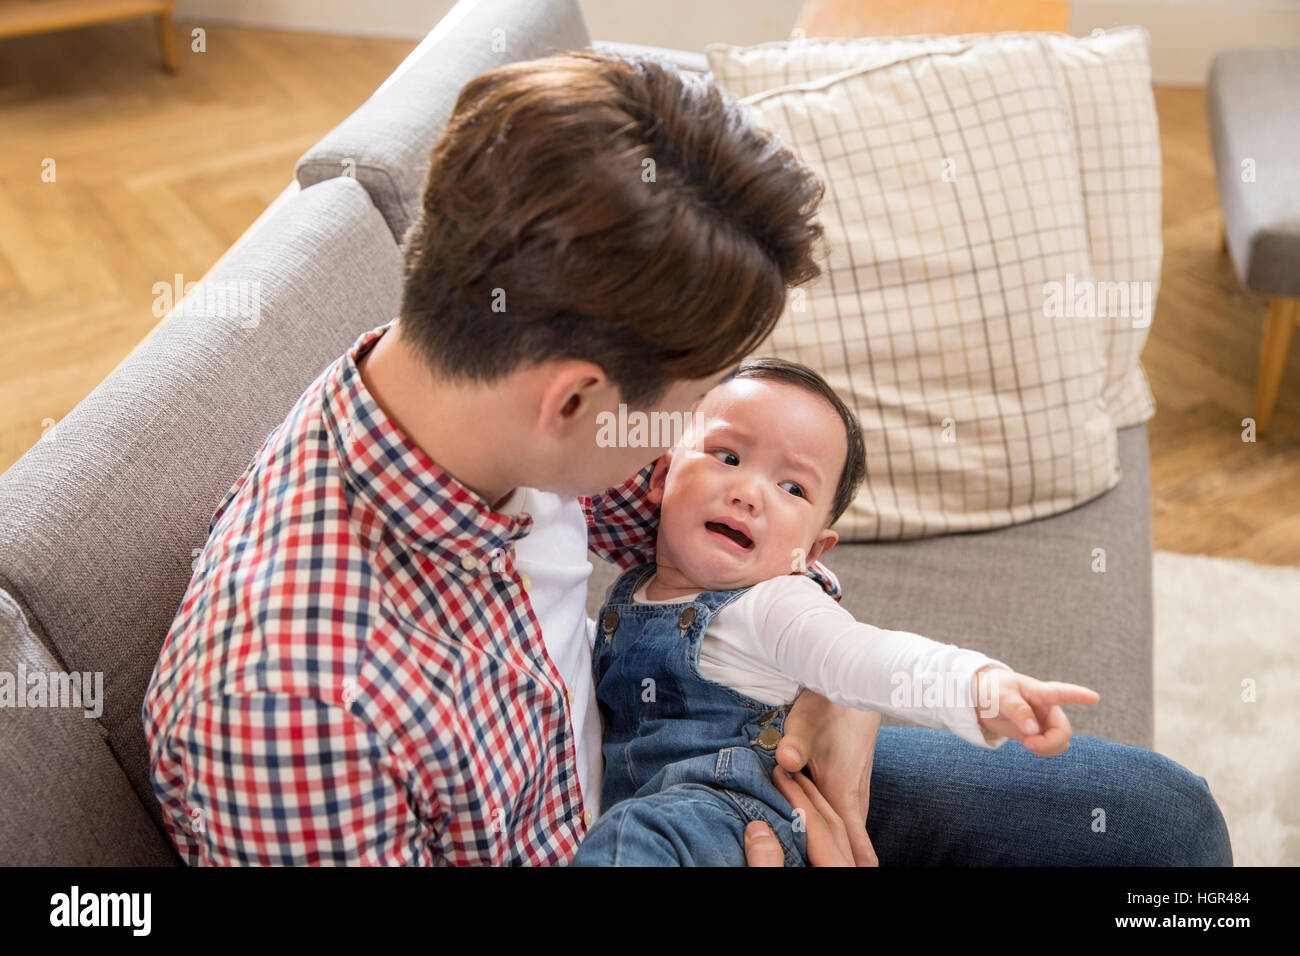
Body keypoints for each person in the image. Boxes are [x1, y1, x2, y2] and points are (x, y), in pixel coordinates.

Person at [140, 50, 878, 866]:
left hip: (706, 781)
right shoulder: (297, 713)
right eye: (687, 411)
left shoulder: (480, 388)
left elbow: (729, 551)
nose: (678, 448)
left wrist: (840, 674)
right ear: (572, 402)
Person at [571, 359, 1107, 865]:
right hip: (655, 817)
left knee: (631, 836)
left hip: (732, 819)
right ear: (662, 478)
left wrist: (980, 688)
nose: (749, 493)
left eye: (792, 488)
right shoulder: (631, 592)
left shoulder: (775, 605)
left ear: (812, 552)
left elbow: (868, 658)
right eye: (728, 457)